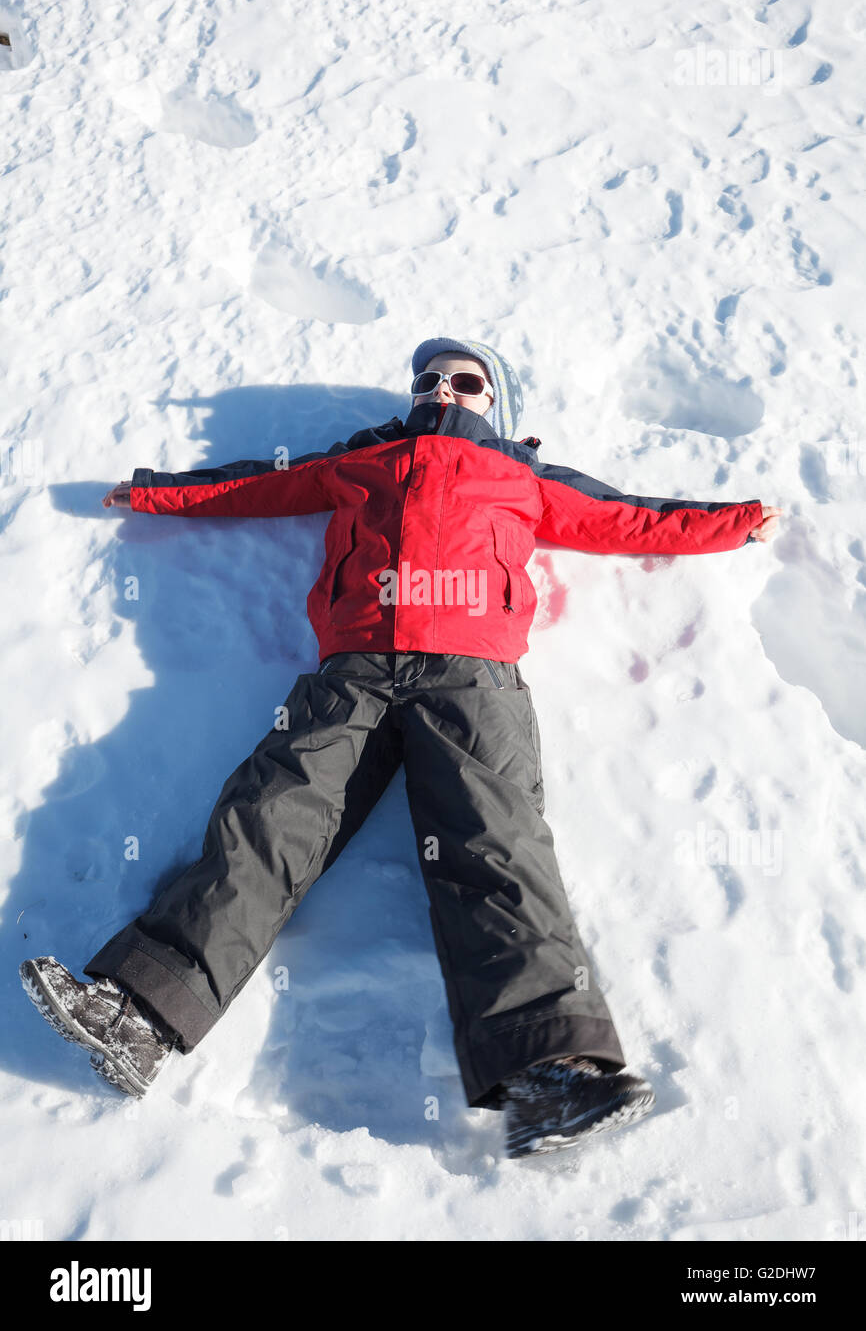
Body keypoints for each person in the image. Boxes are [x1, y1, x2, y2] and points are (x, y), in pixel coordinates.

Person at [20, 336, 781, 1160]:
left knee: (493, 844)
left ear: (498, 402)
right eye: (429, 377)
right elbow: (254, 484)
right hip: (353, 674)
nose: (443, 389)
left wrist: (735, 524)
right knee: (269, 820)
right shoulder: (369, 457)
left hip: (471, 678)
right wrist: (154, 494)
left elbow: (630, 517)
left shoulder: (524, 476)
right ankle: (140, 1015)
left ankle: (549, 1074)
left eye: (465, 379)